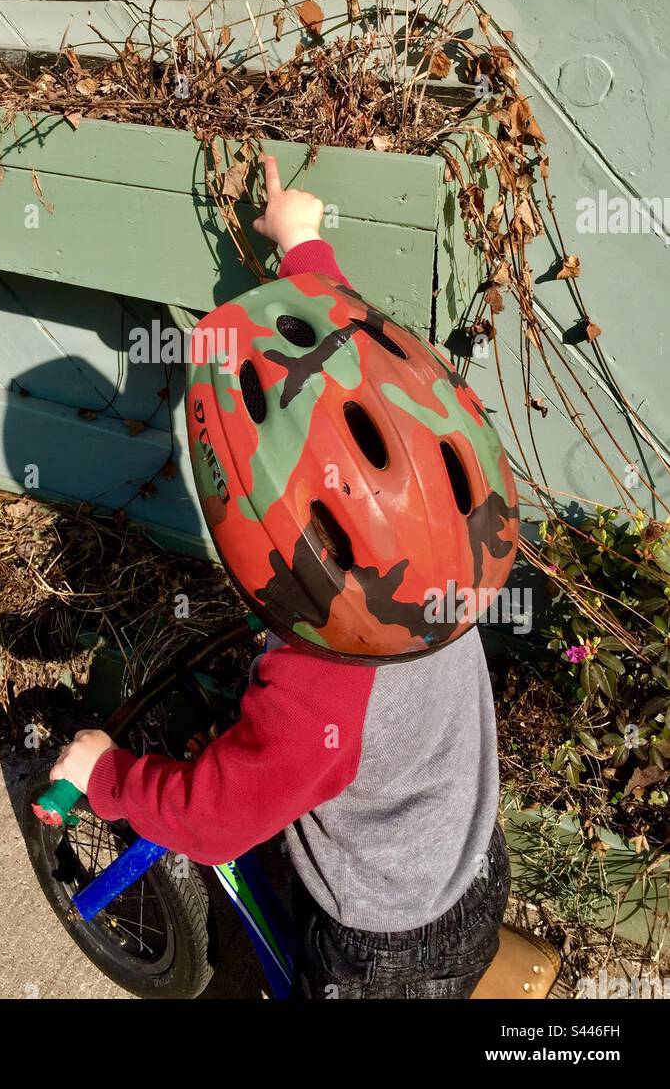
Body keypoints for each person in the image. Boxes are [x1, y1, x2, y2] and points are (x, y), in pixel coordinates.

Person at [50, 155, 517, 999]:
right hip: (475, 867)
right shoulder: (447, 566)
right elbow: (357, 371)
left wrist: (107, 778)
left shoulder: (317, 693)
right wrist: (304, 248)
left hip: (378, 950)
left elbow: (215, 817)